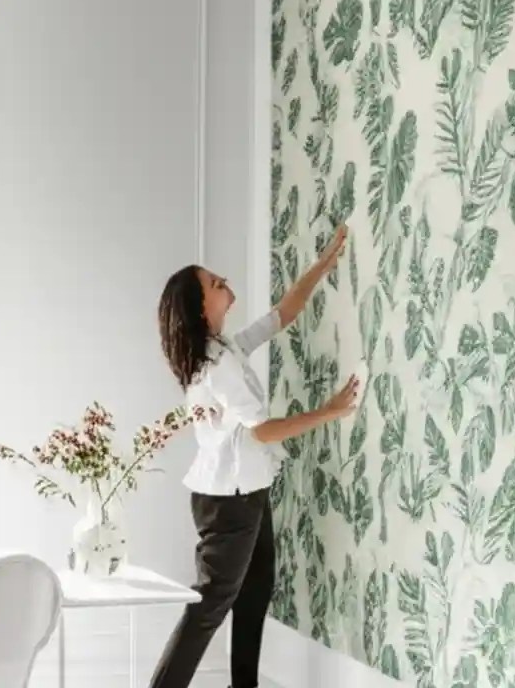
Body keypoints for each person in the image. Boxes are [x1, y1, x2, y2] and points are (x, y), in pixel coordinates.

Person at [150, 224, 359, 688]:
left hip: (243, 491)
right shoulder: (217, 364)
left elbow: (280, 315)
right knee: (209, 606)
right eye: (216, 284)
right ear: (200, 308)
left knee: (256, 588)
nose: (226, 285)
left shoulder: (219, 349)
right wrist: (329, 411)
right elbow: (262, 430)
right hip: (231, 501)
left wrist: (322, 265)